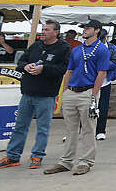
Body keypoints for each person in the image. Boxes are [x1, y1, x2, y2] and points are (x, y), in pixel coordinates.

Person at [0, 19, 70, 170]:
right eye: (43, 29)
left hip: (46, 95)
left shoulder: (63, 48)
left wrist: (43, 69)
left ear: (56, 32)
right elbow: (20, 62)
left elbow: (62, 69)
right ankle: (12, 156)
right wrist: (25, 66)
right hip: (27, 93)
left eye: (47, 30)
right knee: (19, 126)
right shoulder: (35, 45)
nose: (43, 32)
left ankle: (37, 155)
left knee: (43, 127)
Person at [44, 21, 109, 175]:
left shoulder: (101, 50)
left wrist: (94, 95)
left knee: (88, 128)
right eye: (84, 28)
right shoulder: (77, 49)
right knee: (70, 129)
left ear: (97, 30)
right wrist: (65, 91)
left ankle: (86, 161)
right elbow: (69, 71)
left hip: (87, 91)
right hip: (72, 91)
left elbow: (102, 73)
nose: (84, 30)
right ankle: (66, 161)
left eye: (88, 28)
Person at [95, 28, 116, 141]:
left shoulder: (112, 48)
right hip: (90, 82)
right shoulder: (90, 46)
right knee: (84, 107)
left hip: (105, 82)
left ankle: (100, 131)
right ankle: (81, 131)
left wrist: (102, 65)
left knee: (103, 107)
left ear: (106, 37)